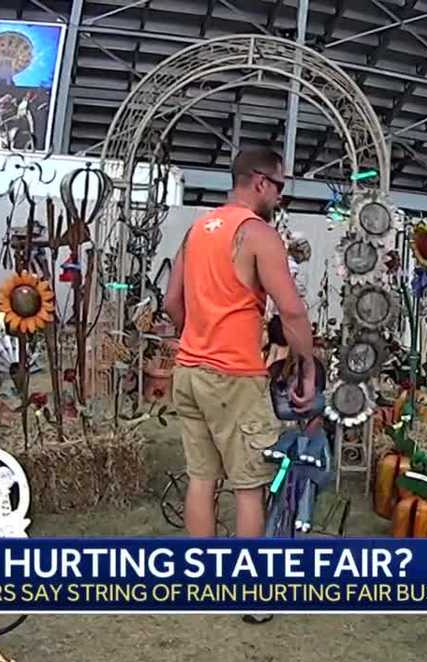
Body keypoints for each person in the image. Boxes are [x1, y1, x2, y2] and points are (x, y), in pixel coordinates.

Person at [163, 147, 315, 624]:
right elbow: (290, 310)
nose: (281, 196)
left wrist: (197, 337)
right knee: (249, 487)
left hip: (189, 372)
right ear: (259, 182)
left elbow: (172, 303)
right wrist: (306, 368)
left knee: (202, 478)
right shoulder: (258, 234)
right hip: (235, 376)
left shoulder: (196, 232)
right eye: (281, 186)